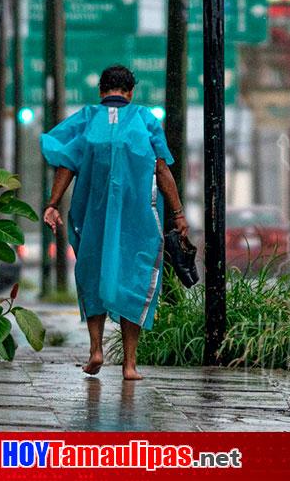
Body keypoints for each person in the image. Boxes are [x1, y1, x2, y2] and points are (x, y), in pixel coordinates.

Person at [40, 65, 188, 380]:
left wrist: (52, 204)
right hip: (139, 220)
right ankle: (130, 365)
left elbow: (66, 163)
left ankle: (95, 350)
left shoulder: (86, 119)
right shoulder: (145, 119)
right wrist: (178, 214)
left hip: (93, 217)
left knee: (92, 275)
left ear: (101, 91)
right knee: (135, 280)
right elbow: (162, 170)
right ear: (130, 92)